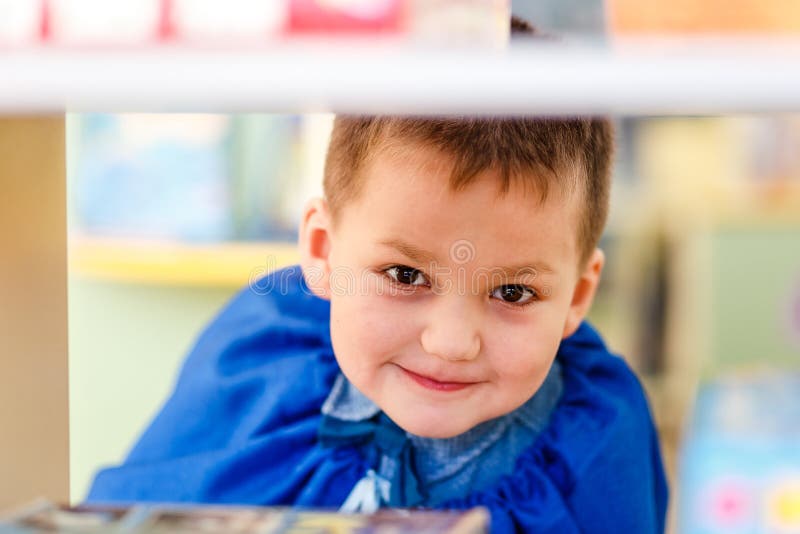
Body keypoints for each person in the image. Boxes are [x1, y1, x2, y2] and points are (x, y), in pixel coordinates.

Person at [87, 21, 668, 534]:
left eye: (513, 292)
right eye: (405, 274)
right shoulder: (255, 365)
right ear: (322, 249)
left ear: (577, 295)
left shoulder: (596, 446)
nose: (451, 343)